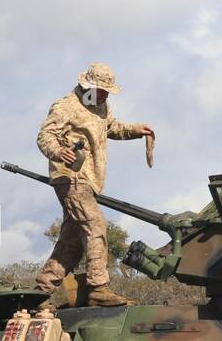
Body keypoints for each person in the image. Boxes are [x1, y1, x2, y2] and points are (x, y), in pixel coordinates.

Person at [34, 63, 154, 307]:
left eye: (107, 91)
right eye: (101, 90)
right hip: (71, 177)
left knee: (72, 242)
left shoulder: (101, 106)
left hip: (90, 181)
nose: (105, 95)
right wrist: (58, 151)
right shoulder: (66, 106)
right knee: (95, 224)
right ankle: (98, 288)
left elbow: (111, 127)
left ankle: (38, 294)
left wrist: (135, 130)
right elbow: (45, 136)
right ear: (88, 86)